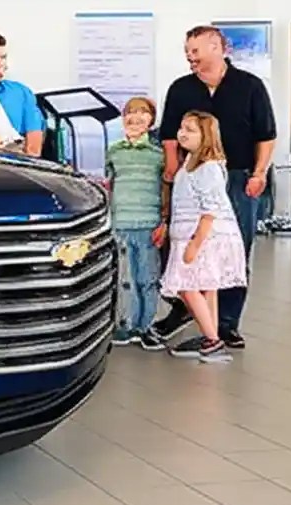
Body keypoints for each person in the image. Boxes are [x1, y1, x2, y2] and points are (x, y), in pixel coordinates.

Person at [151, 27, 276, 349]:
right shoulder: (181, 88)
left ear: (218, 47)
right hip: (191, 176)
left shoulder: (250, 86)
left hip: (237, 176)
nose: (190, 57)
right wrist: (172, 166)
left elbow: (266, 135)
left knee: (232, 248)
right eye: (187, 51)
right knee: (181, 246)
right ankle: (185, 309)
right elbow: (168, 134)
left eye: (196, 50)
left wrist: (258, 174)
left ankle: (226, 324)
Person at [160, 111, 248, 363]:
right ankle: (210, 334)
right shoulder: (190, 162)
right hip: (190, 233)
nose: (182, 133)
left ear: (206, 136)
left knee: (187, 286)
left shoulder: (208, 167)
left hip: (203, 236)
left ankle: (212, 340)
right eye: (181, 128)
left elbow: (210, 210)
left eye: (190, 130)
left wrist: (194, 245)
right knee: (207, 287)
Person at [104, 96, 168, 349]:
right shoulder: (114, 150)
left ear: (152, 119)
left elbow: (165, 189)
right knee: (124, 279)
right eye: (130, 112)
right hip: (121, 223)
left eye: (143, 112)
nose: (136, 117)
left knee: (148, 277)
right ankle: (126, 325)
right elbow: (109, 183)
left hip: (149, 223)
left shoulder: (158, 154)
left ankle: (147, 326)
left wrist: (164, 221)